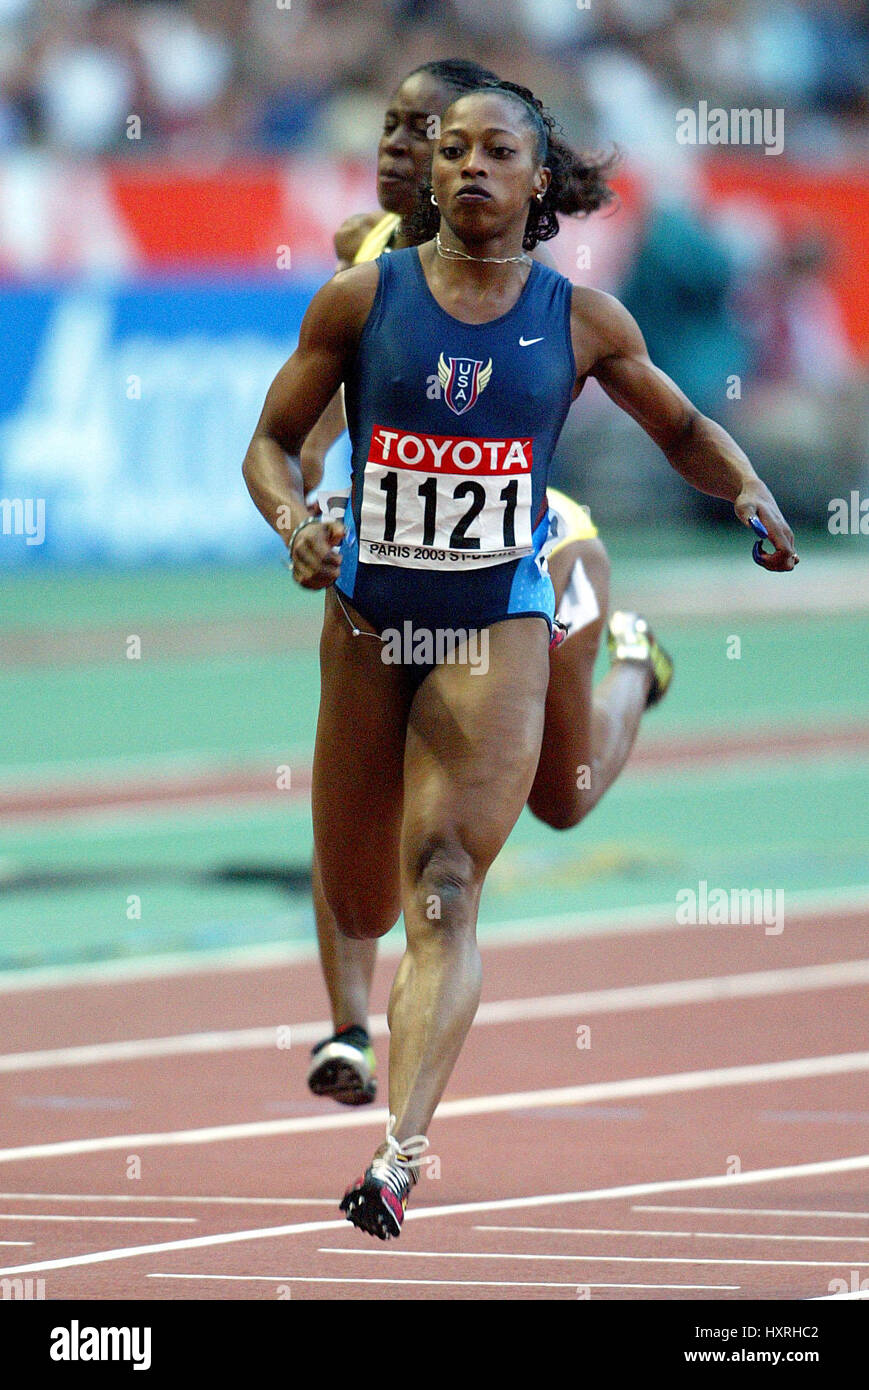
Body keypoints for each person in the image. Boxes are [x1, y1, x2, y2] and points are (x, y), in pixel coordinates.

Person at [242, 79, 797, 1239]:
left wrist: (745, 486)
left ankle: (397, 1156)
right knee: (357, 894)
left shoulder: (579, 318)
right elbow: (271, 445)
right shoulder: (361, 296)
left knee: (443, 884)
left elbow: (680, 428)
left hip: (495, 618)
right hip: (365, 621)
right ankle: (634, 666)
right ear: (430, 175)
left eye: (499, 151)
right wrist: (297, 526)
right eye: (452, 151)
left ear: (539, 180)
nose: (470, 168)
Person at [298, 60, 674, 1113]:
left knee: (564, 798)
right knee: (350, 803)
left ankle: (637, 665)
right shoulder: (362, 262)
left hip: (534, 549)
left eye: (426, 131)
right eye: (395, 127)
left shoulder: (522, 276)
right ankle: (345, 1026)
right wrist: (316, 501)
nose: (399, 148)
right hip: (397, 570)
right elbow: (328, 416)